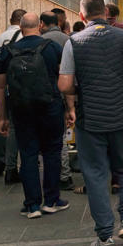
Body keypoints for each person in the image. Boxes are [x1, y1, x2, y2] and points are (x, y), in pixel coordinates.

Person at [59, 0, 123, 246]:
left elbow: (65, 84)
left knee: (95, 174)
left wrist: (80, 93)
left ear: (82, 16)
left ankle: (104, 239)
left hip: (91, 118)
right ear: (105, 12)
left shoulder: (74, 42)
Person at [0, 13, 68, 219]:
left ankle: (32, 205)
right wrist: (70, 108)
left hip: (21, 109)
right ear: (40, 25)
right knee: (52, 152)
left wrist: (3, 116)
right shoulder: (52, 48)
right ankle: (51, 201)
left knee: (27, 154)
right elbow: (65, 80)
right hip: (50, 107)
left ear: (20, 28)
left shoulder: (8, 51)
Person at [40, 11, 75, 191]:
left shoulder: (39, 41)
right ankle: (64, 176)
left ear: (42, 24)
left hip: (40, 96)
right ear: (59, 23)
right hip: (61, 95)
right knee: (60, 139)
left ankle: (46, 175)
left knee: (42, 139)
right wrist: (71, 107)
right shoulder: (68, 40)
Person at [0, 9, 25, 183]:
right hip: (16, 87)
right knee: (14, 125)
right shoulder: (23, 37)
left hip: (0, 85)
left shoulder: (0, 37)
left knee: (1, 120)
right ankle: (12, 165)